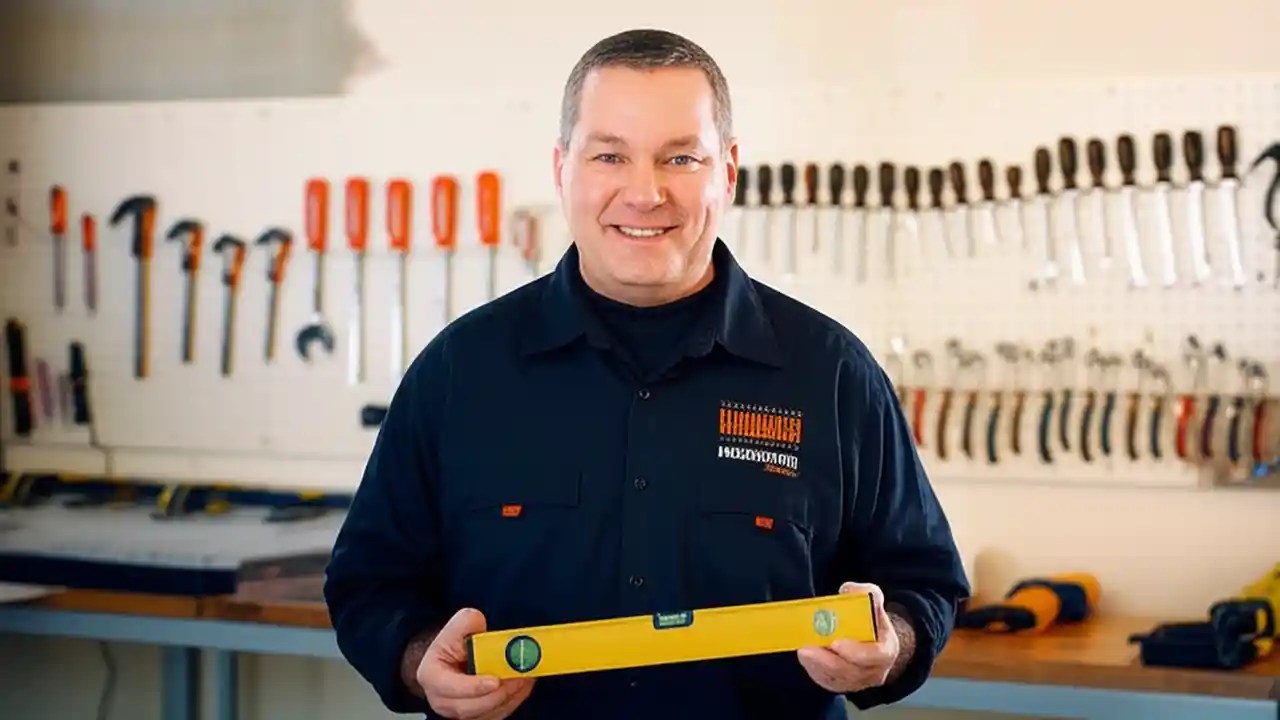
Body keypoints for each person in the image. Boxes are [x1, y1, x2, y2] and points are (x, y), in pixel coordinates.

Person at [324, 27, 970, 720]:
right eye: (610, 155)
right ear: (562, 167)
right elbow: (370, 584)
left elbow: (923, 585)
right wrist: (421, 659)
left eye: (680, 158)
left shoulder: (832, 373)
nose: (645, 192)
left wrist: (889, 645)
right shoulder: (459, 371)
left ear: (727, 169)